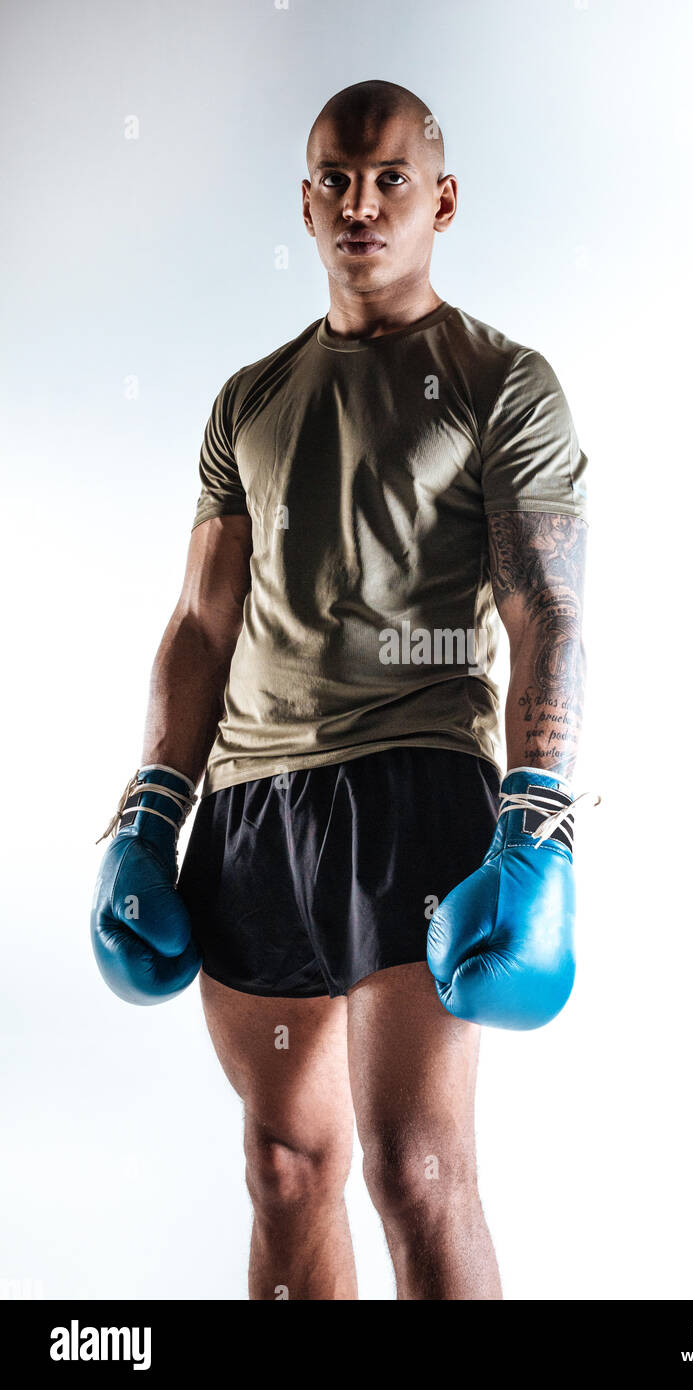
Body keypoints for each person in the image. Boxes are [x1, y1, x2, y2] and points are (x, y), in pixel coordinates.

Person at [92, 79, 590, 1300]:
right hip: (253, 804)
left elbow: (546, 606)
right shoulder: (248, 399)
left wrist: (536, 817)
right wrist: (152, 807)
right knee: (282, 1165)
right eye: (335, 178)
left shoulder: (499, 380)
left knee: (416, 1168)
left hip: (416, 789)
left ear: (442, 200)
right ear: (305, 198)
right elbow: (202, 622)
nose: (360, 203)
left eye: (389, 179)